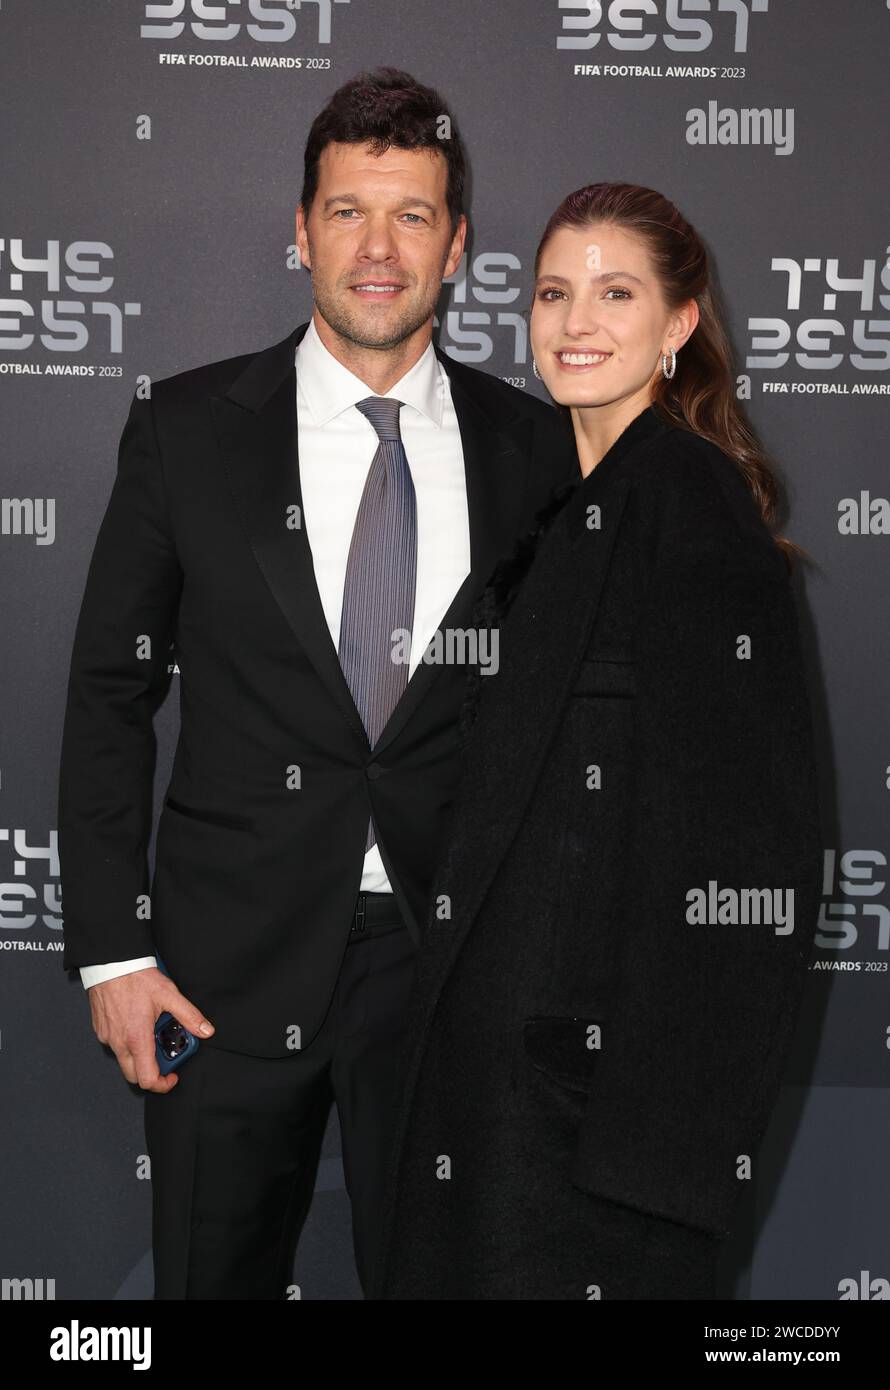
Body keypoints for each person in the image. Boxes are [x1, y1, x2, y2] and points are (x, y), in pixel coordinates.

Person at [56, 68, 576, 1299]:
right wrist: (111, 955)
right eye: (347, 211)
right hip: (219, 975)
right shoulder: (187, 430)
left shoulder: (539, 449)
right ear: (299, 232)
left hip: (450, 975)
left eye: (410, 216)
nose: (377, 248)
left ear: (456, 245)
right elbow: (107, 694)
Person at [371, 183, 824, 1300]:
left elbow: (746, 856)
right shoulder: (552, 522)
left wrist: (649, 1160)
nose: (575, 321)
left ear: (677, 326)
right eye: (552, 294)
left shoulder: (688, 500)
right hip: (490, 1106)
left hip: (588, 1146)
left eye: (615, 293)